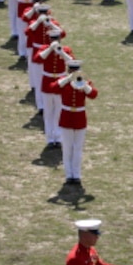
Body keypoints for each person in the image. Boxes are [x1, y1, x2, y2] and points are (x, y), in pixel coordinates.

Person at [57, 59, 97, 187]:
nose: (74, 73)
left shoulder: (84, 82)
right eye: (72, 71)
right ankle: (69, 175)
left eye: (76, 71)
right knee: (67, 148)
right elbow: (53, 87)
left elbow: (94, 94)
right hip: (66, 118)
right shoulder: (64, 82)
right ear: (69, 70)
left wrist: (84, 85)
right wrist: (67, 79)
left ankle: (77, 174)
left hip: (79, 118)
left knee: (78, 148)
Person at [34, 28, 74, 149]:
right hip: (47, 82)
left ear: (60, 39)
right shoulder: (44, 48)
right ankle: (50, 139)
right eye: (52, 39)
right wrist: (50, 49)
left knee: (59, 112)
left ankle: (58, 137)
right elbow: (37, 59)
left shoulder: (65, 49)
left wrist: (62, 53)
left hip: (61, 82)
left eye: (56, 39)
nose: (54, 41)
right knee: (48, 112)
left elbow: (72, 63)